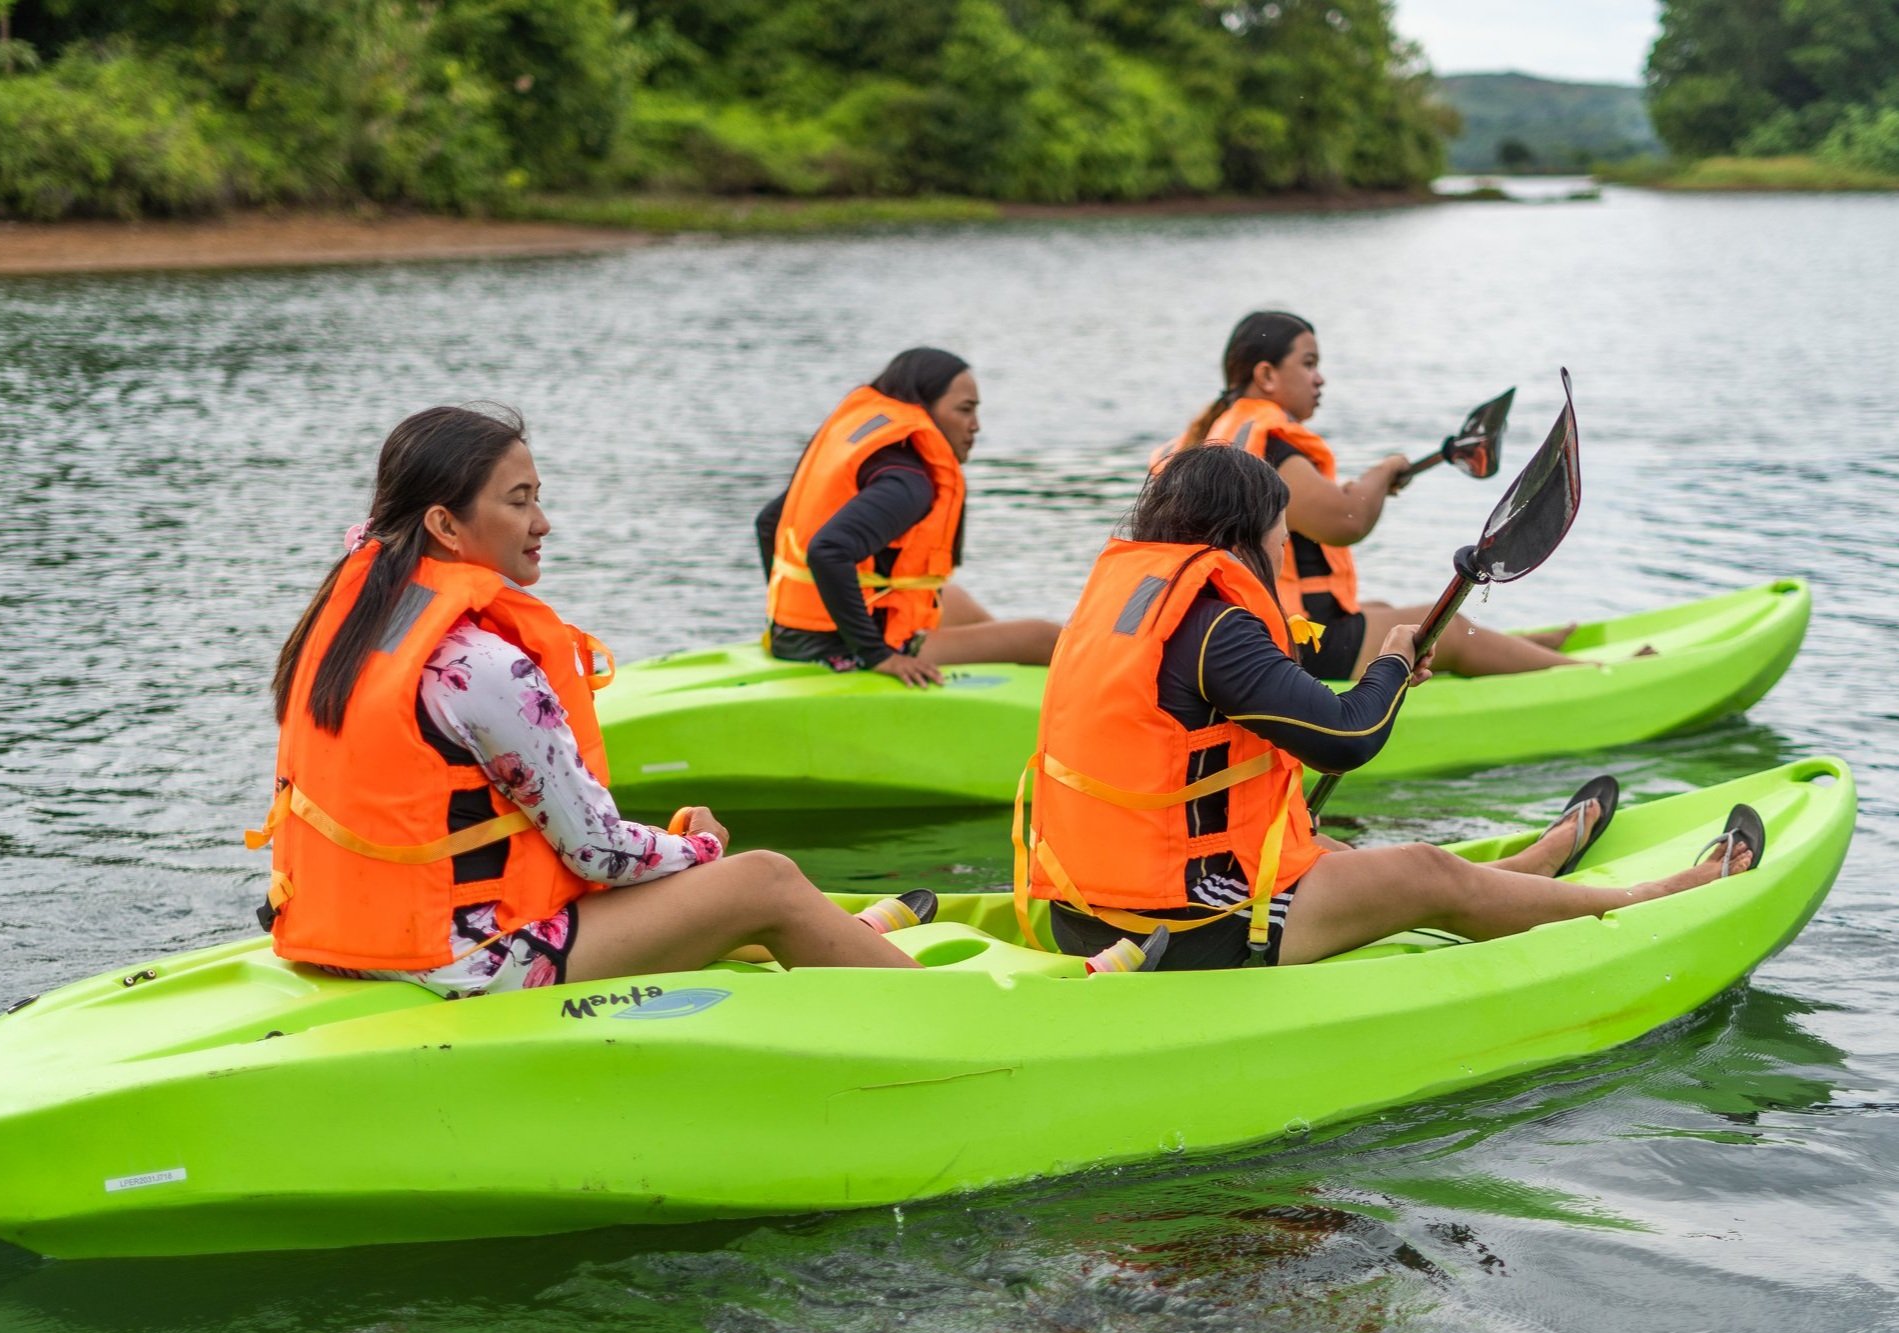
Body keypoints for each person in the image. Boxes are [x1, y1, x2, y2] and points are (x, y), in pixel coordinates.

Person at [252, 404, 931, 995]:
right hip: (463, 957)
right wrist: (695, 846)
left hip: (351, 940)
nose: (541, 521)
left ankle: (843, 936)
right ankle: (943, 1015)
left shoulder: (346, 624)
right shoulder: (481, 664)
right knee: (765, 879)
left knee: (679, 882)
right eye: (517, 501)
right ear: (445, 524)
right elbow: (596, 853)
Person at [1021, 444, 1759, 972]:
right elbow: (1348, 736)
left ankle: (1529, 868)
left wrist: (1385, 669)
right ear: (1244, 535)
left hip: (1081, 912)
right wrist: (1393, 665)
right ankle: (1648, 897)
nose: (1284, 551)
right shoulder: (1217, 623)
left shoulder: (1129, 603)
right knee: (1422, 870)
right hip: (1186, 930)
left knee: (1330, 851)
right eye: (1281, 537)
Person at [1157, 311, 1579, 681]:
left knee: (1379, 606)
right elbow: (1348, 520)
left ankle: (1524, 647)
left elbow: (1318, 508)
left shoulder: (1217, 438)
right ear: (1266, 375)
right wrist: (1382, 472)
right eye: (1308, 364)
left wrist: (1370, 486)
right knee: (1442, 628)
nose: (1320, 377)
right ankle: (1593, 675)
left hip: (1241, 628)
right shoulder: (1270, 448)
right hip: (1284, 642)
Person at [759, 347, 1062, 688]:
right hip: (843, 646)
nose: (975, 426)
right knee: (1047, 639)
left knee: (953, 599)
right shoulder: (907, 484)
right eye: (964, 411)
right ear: (925, 408)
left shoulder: (872, 456)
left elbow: (769, 521)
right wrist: (878, 655)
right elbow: (827, 550)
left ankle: (1012, 686)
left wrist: (790, 618)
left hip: (797, 633)